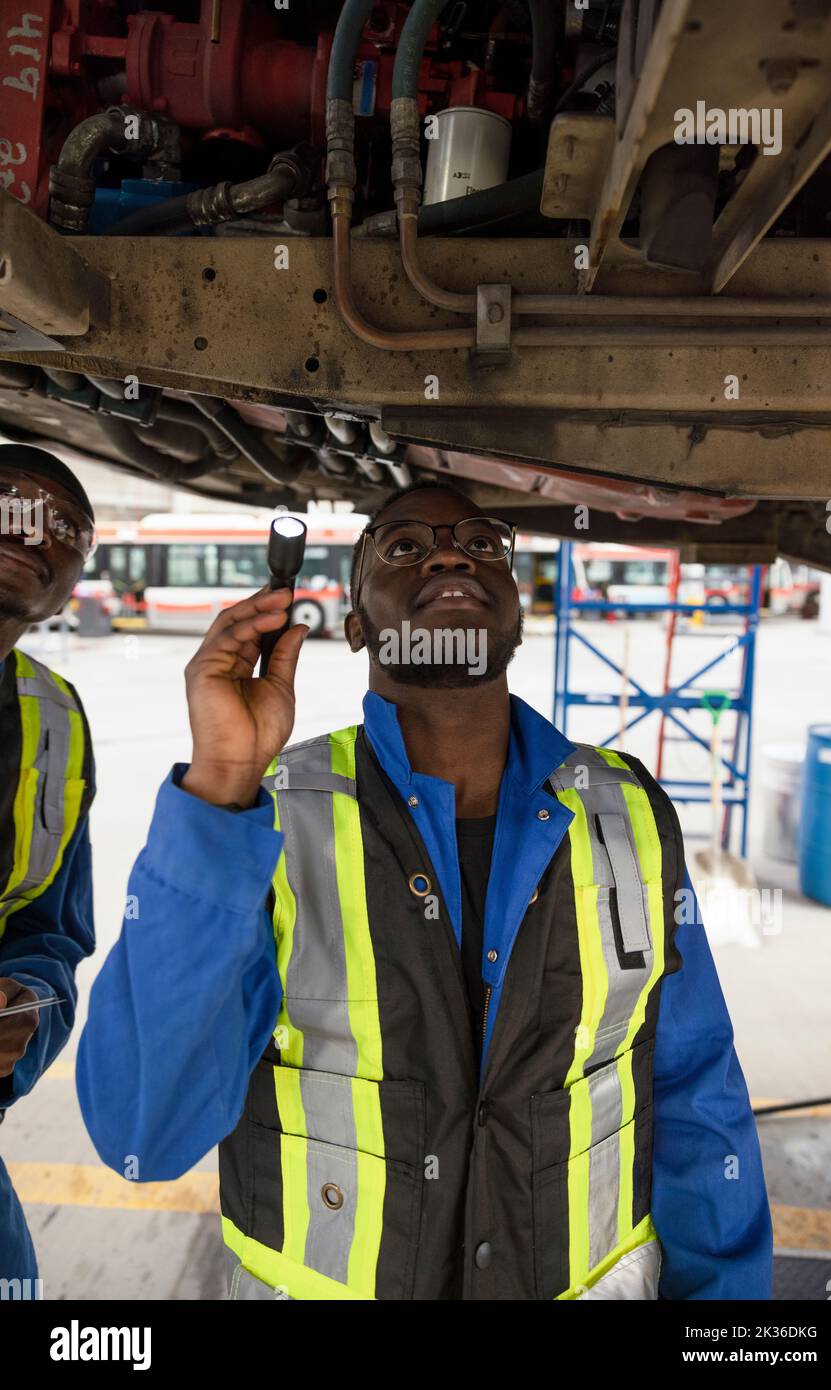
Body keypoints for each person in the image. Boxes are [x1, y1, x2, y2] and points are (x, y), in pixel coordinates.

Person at [78, 481, 772, 1301]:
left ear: (516, 608)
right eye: (405, 547)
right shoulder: (263, 816)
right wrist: (222, 781)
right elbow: (144, 1132)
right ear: (355, 625)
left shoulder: (625, 807)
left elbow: (692, 1086)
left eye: (481, 545)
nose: (451, 557)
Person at [0, 444, 96, 1288]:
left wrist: (23, 1012)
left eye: (63, 526)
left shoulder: (55, 717)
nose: (31, 530)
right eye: (8, 501)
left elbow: (51, 934)